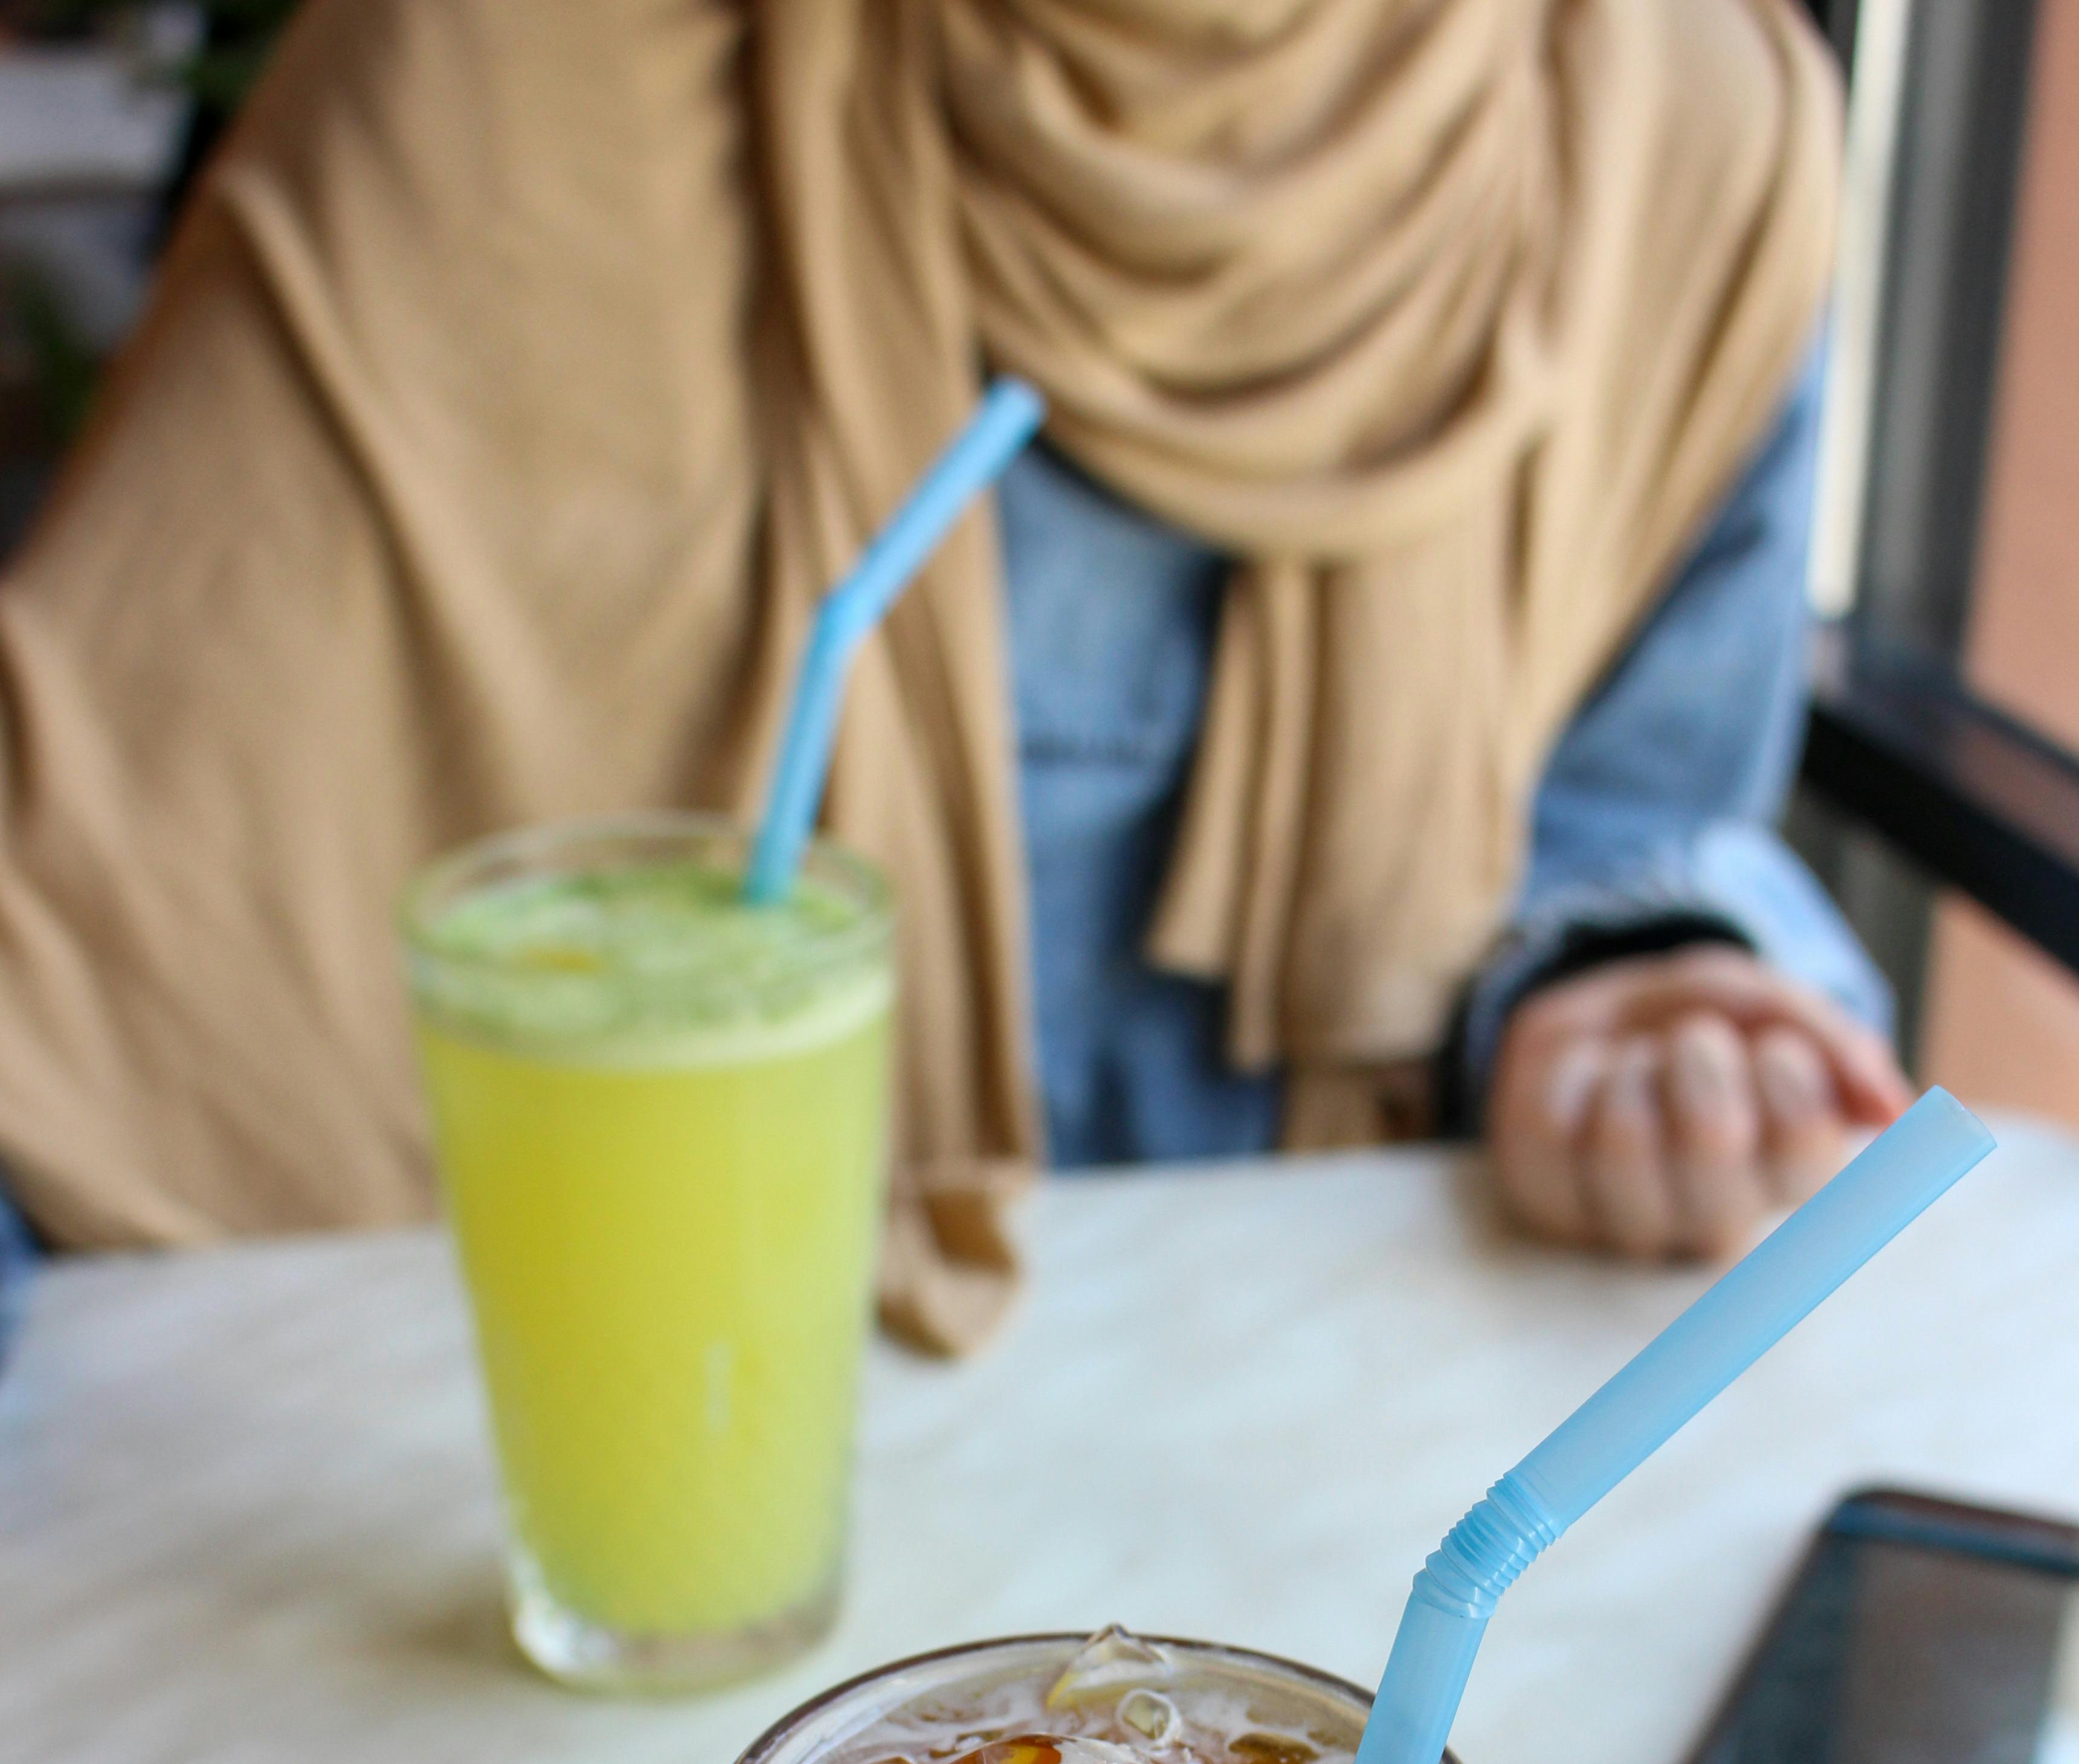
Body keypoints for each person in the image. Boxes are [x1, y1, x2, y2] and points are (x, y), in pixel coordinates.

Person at [0, 0, 1905, 1364]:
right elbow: (87, 948)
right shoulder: (508, 64)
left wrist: (1626, 1002)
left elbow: (1626, 829)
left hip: (1332, 1447)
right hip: (542, 1477)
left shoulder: (1693, 131)